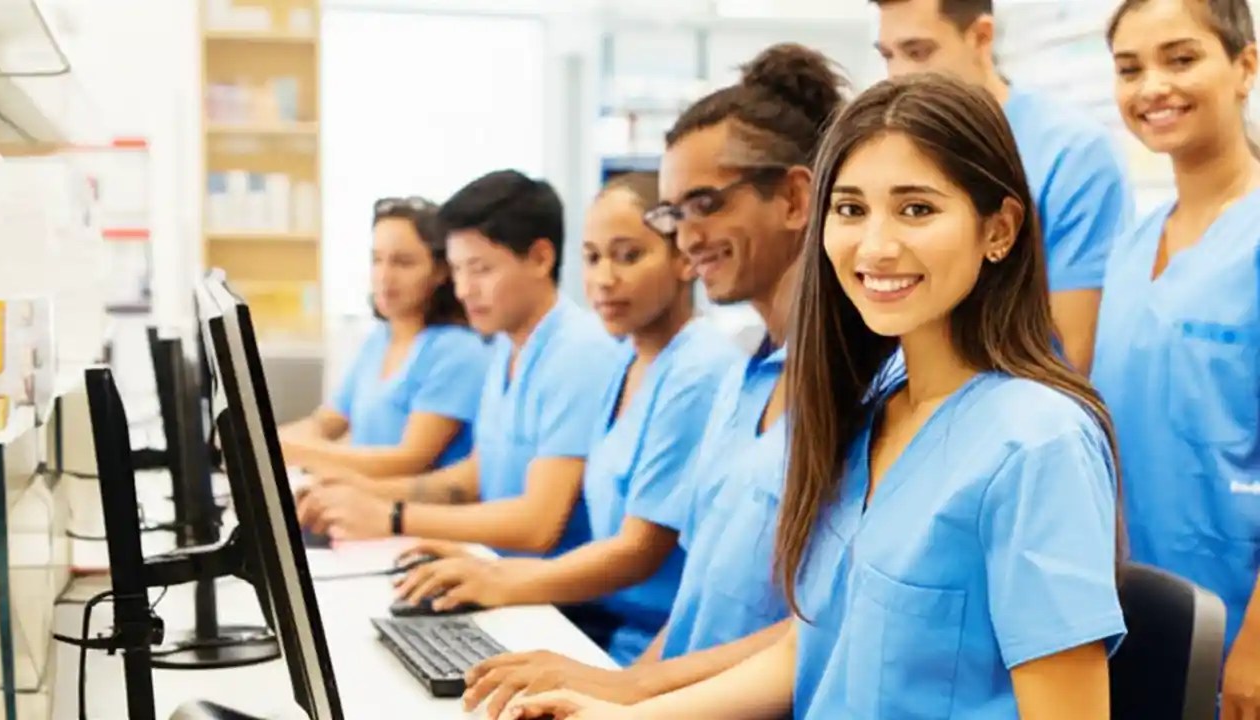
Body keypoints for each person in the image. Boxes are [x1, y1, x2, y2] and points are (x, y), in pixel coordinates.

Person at [505, 73, 1127, 720]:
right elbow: (816, 641)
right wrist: (621, 715)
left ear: (998, 230)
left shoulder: (1037, 442)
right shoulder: (873, 412)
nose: (876, 246)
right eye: (852, 210)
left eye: (916, 209)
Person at [461, 43, 850, 720]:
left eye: (704, 204)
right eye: (674, 213)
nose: (687, 236)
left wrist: (630, 694)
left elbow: (813, 631)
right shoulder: (747, 380)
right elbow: (700, 596)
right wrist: (606, 689)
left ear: (793, 197)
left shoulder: (850, 390)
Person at [392, 171, 738, 666]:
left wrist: (496, 576)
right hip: (607, 624)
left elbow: (638, 550)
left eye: (629, 255)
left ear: (684, 256)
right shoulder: (626, 359)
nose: (603, 279)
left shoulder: (697, 369)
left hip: (646, 644)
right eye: (593, 257)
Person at [296, 171, 617, 565]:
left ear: (540, 258)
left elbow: (538, 524)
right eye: (458, 269)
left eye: (481, 269)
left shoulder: (577, 354)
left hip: (561, 603)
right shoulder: (506, 345)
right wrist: (365, 491)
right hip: (491, 569)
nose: (464, 289)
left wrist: (394, 517)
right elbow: (476, 475)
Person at [1096, 1, 1260, 716]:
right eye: (1130, 69)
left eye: (1181, 58)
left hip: (1240, 628)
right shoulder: (1133, 246)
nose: (1152, 86)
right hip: (1138, 617)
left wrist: (1256, 641)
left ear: (1245, 65)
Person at [870, 0, 1133, 374]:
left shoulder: (1071, 155)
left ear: (981, 37)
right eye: (888, 56)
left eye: (918, 53)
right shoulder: (894, 150)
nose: (899, 76)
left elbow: (1073, 351)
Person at [278, 197, 488, 477]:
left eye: (403, 262)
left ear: (439, 271)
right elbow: (327, 422)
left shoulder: (457, 350)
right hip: (357, 504)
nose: (384, 276)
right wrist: (254, 444)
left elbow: (406, 460)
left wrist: (293, 452)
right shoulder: (379, 339)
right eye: (377, 260)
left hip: (406, 513)